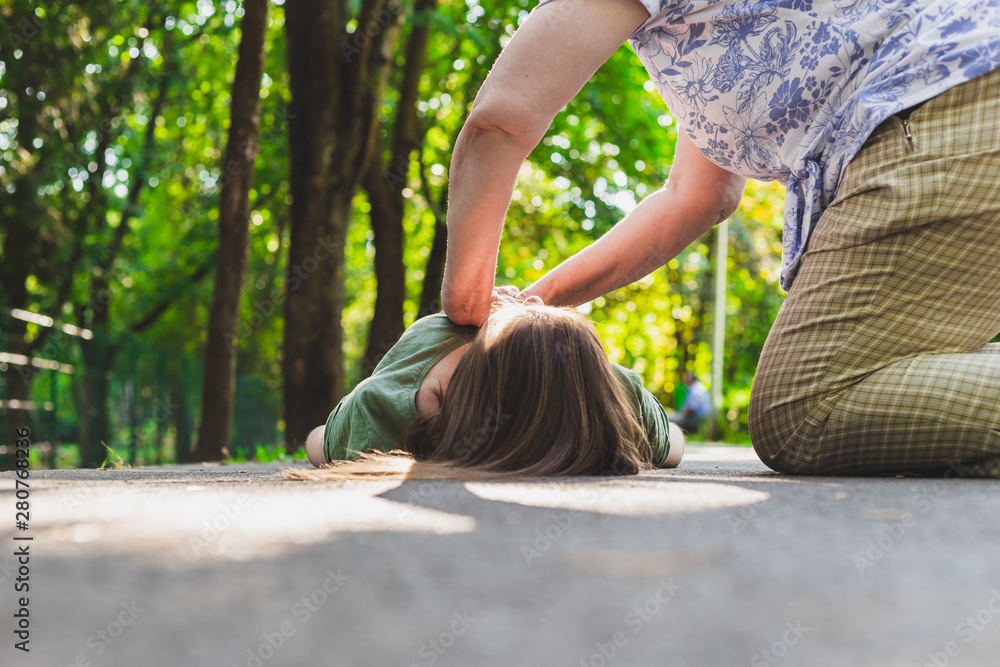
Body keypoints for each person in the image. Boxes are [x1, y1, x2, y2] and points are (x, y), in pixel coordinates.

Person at [440, 0, 1000, 477]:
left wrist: (465, 303)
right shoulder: (716, 30)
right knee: (911, 378)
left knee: (803, 408)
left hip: (949, 95)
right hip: (967, 89)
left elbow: (501, 122)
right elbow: (696, 196)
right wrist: (532, 305)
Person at [304, 300, 684, 476]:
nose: (532, 299)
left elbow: (318, 442)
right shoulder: (618, 394)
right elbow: (673, 447)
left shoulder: (386, 406)